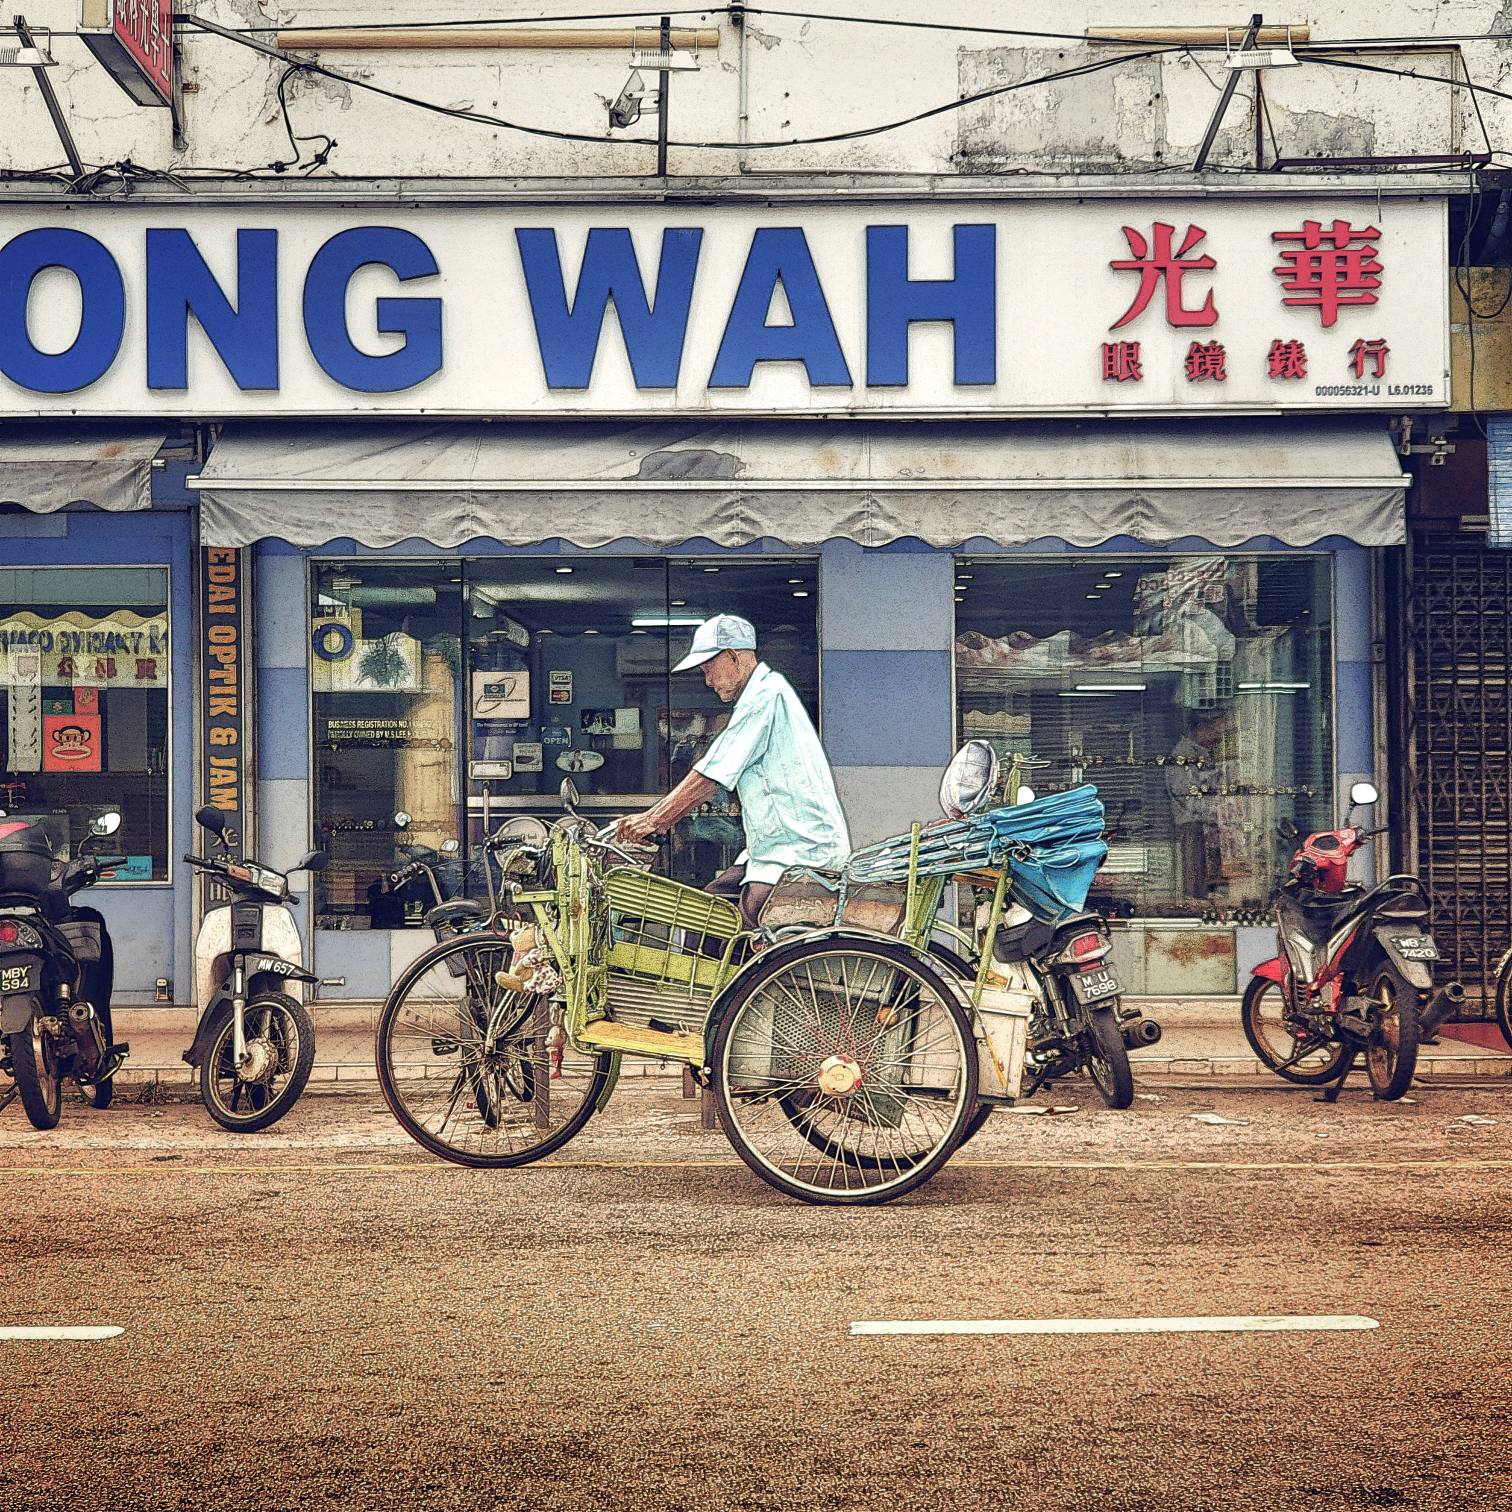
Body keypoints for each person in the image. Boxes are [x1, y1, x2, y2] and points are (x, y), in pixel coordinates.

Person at [616, 614, 850, 928]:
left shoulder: (765, 697)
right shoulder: (763, 694)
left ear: (732, 657)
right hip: (775, 852)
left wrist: (652, 820)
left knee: (734, 923)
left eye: (708, 669)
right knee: (707, 908)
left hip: (797, 855)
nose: (707, 681)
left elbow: (711, 775)